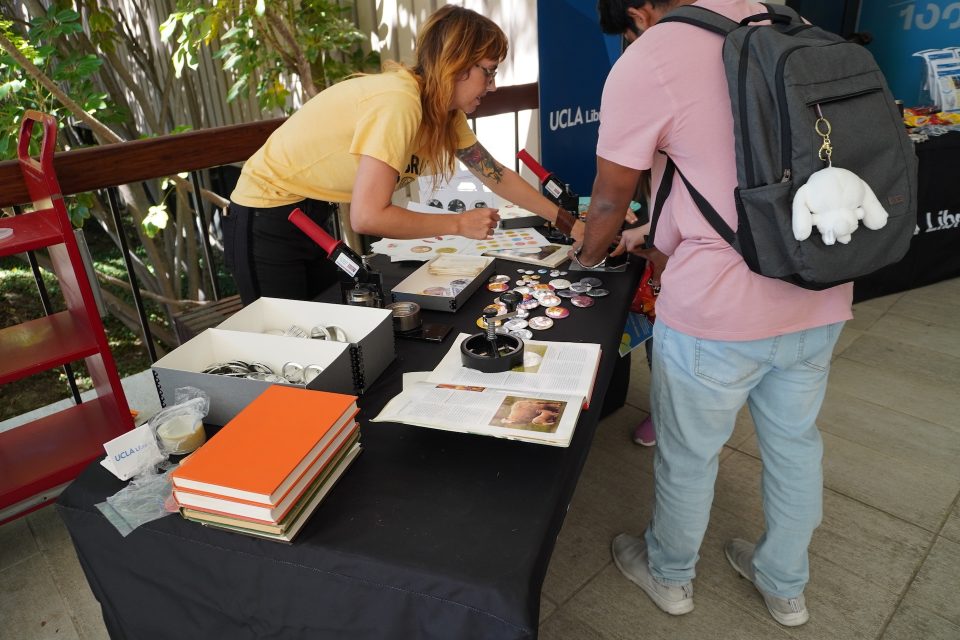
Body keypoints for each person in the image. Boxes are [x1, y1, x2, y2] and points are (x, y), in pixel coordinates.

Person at [578, 0, 853, 627]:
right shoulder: (790, 25)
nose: (632, 37)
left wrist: (587, 255)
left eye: (627, 26)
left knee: (688, 454)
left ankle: (669, 575)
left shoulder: (652, 55)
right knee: (794, 447)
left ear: (640, 9)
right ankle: (785, 585)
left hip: (716, 309)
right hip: (819, 287)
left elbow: (608, 196)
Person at [225, 5, 576, 305]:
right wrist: (457, 224)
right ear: (456, 64)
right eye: (489, 71)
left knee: (317, 331)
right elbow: (367, 217)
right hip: (265, 213)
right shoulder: (399, 102)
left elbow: (495, 174)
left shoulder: (442, 110)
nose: (493, 86)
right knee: (283, 342)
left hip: (310, 211)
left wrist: (569, 223)